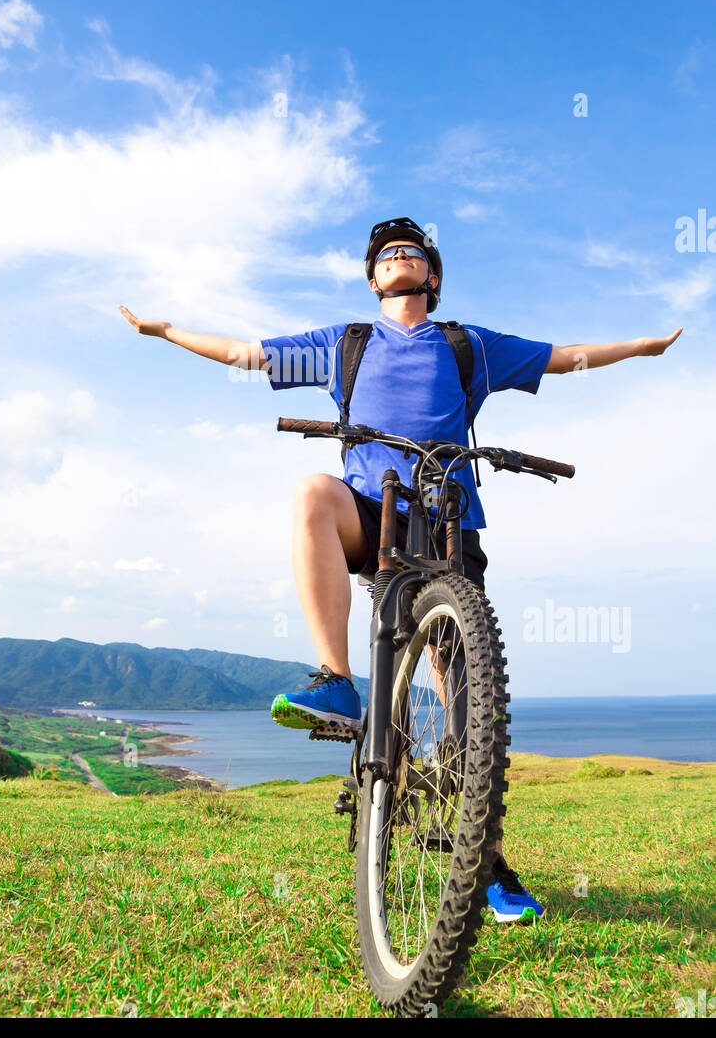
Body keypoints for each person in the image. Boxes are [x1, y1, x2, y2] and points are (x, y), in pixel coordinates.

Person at [119, 215, 682, 922]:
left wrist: (643, 349)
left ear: (432, 276)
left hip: (449, 518)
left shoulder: (466, 343)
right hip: (370, 510)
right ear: (372, 277)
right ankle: (337, 681)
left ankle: (488, 867)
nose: (398, 257)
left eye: (411, 251)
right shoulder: (344, 344)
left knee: (466, 703)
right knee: (311, 494)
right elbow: (245, 353)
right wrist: (167, 332)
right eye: (385, 253)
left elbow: (564, 356)